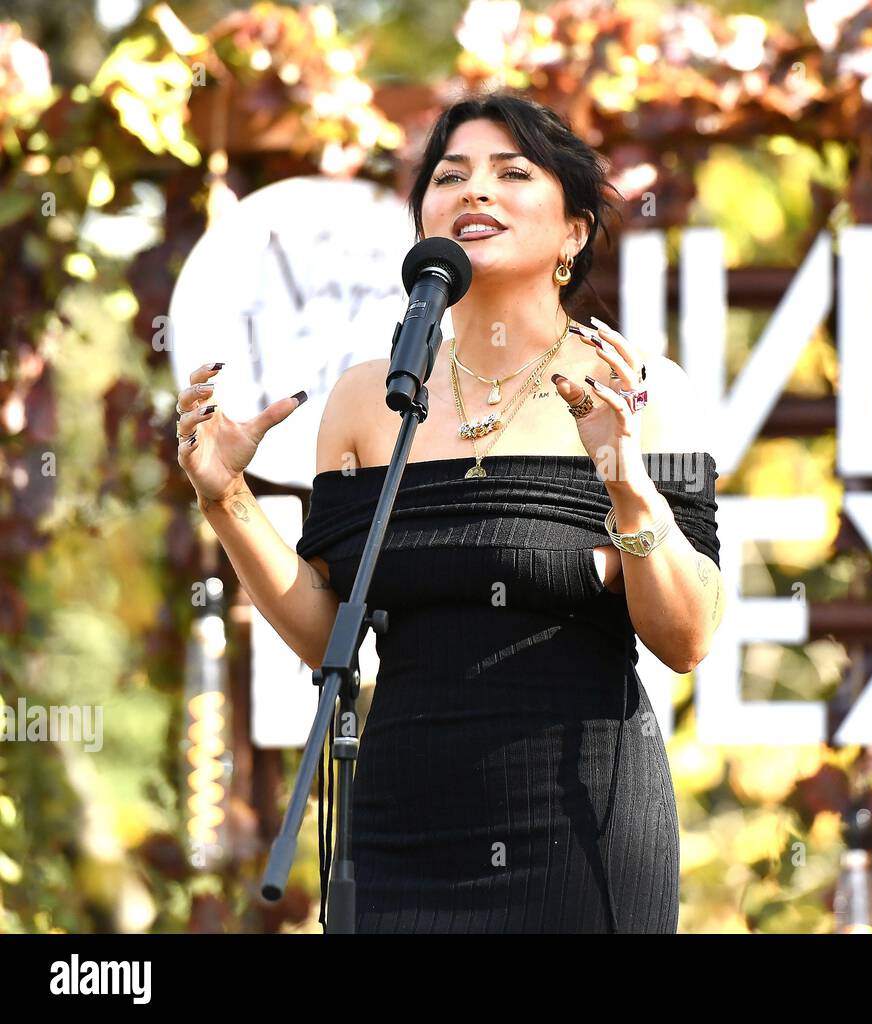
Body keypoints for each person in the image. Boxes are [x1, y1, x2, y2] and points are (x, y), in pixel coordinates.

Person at [173, 91, 725, 933]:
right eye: (451, 175)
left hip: (579, 835)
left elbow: (685, 639)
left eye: (512, 173)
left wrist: (623, 476)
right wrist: (227, 498)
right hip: (397, 833)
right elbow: (332, 637)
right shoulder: (370, 399)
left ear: (574, 231)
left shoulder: (639, 389)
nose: (474, 192)